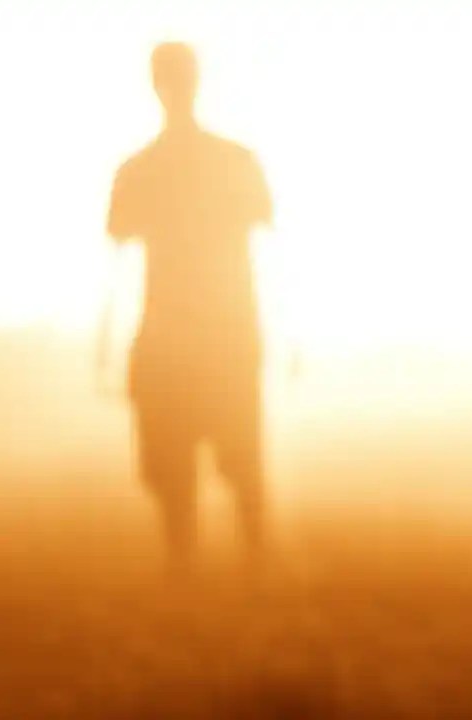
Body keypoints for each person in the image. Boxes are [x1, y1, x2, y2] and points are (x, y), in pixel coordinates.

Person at [106, 42, 273, 570]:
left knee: (183, 458)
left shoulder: (140, 168)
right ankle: (248, 565)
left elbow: (116, 239)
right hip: (224, 329)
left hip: (179, 333)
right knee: (230, 455)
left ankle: (197, 566)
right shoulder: (235, 161)